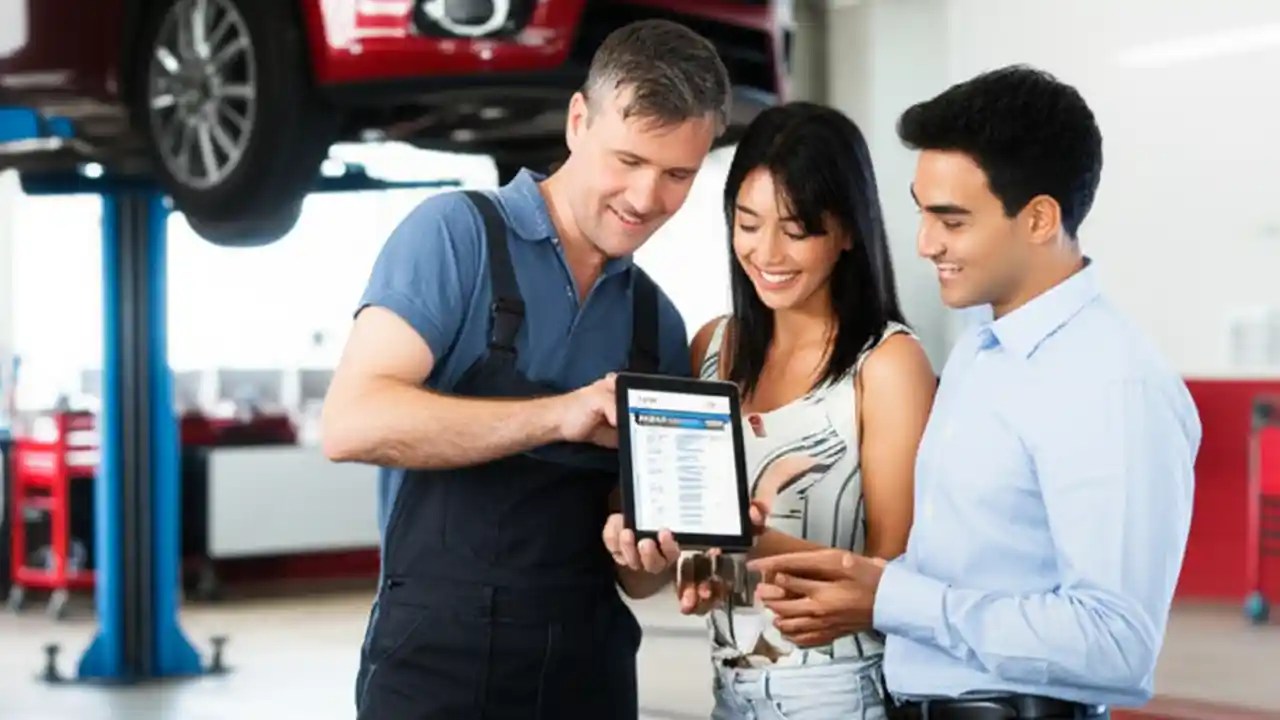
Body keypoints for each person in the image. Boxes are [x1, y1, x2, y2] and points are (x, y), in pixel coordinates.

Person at [748, 65, 1202, 720]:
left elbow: (1116, 643)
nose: (926, 243)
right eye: (922, 212)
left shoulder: (1111, 384)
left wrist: (890, 599)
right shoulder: (980, 352)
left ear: (1040, 218)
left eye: (952, 220)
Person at [320, 19, 732, 719]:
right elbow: (351, 423)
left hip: (587, 673)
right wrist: (560, 413)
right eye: (626, 160)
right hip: (434, 665)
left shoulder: (653, 324)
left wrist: (654, 552)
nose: (644, 198)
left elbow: (635, 581)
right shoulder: (455, 237)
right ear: (578, 121)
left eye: (676, 175)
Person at [603, 101, 938, 719]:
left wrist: (753, 536)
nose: (768, 252)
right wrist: (671, 559)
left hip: (842, 695)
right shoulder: (711, 348)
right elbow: (660, 578)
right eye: (748, 223)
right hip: (729, 694)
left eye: (797, 227)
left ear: (846, 231)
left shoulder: (886, 364)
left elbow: (895, 579)